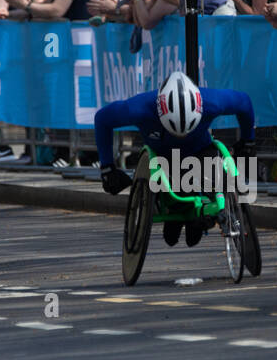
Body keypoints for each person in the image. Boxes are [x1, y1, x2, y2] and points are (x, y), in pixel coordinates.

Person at [96, 71, 256, 248]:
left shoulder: (212, 102)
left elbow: (245, 102)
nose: (181, 136)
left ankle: (206, 214)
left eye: (187, 130)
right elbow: (102, 119)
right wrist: (107, 167)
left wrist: (248, 142)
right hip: (163, 162)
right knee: (172, 231)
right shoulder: (139, 108)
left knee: (215, 186)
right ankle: (178, 210)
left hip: (201, 153)